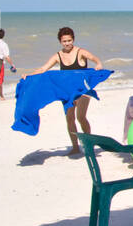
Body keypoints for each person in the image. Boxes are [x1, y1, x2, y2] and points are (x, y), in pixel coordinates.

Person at [31, 27, 103, 156]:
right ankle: (75, 147)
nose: (67, 43)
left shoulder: (80, 52)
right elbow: (43, 69)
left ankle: (89, 144)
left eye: (69, 40)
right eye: (64, 41)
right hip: (67, 92)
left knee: (81, 117)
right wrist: (29, 76)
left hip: (82, 90)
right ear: (60, 41)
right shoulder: (58, 56)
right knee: (70, 118)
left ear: (73, 40)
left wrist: (98, 64)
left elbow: (95, 58)